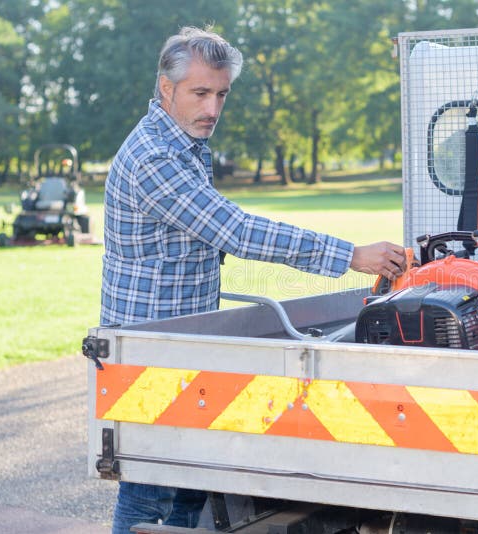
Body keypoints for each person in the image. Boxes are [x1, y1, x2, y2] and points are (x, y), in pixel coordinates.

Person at [101, 26, 406, 533]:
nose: (213, 108)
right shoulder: (154, 158)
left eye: (221, 94)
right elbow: (236, 230)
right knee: (147, 494)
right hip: (148, 351)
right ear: (166, 88)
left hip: (185, 343)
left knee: (192, 488)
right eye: (201, 93)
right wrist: (352, 255)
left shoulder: (184, 144)